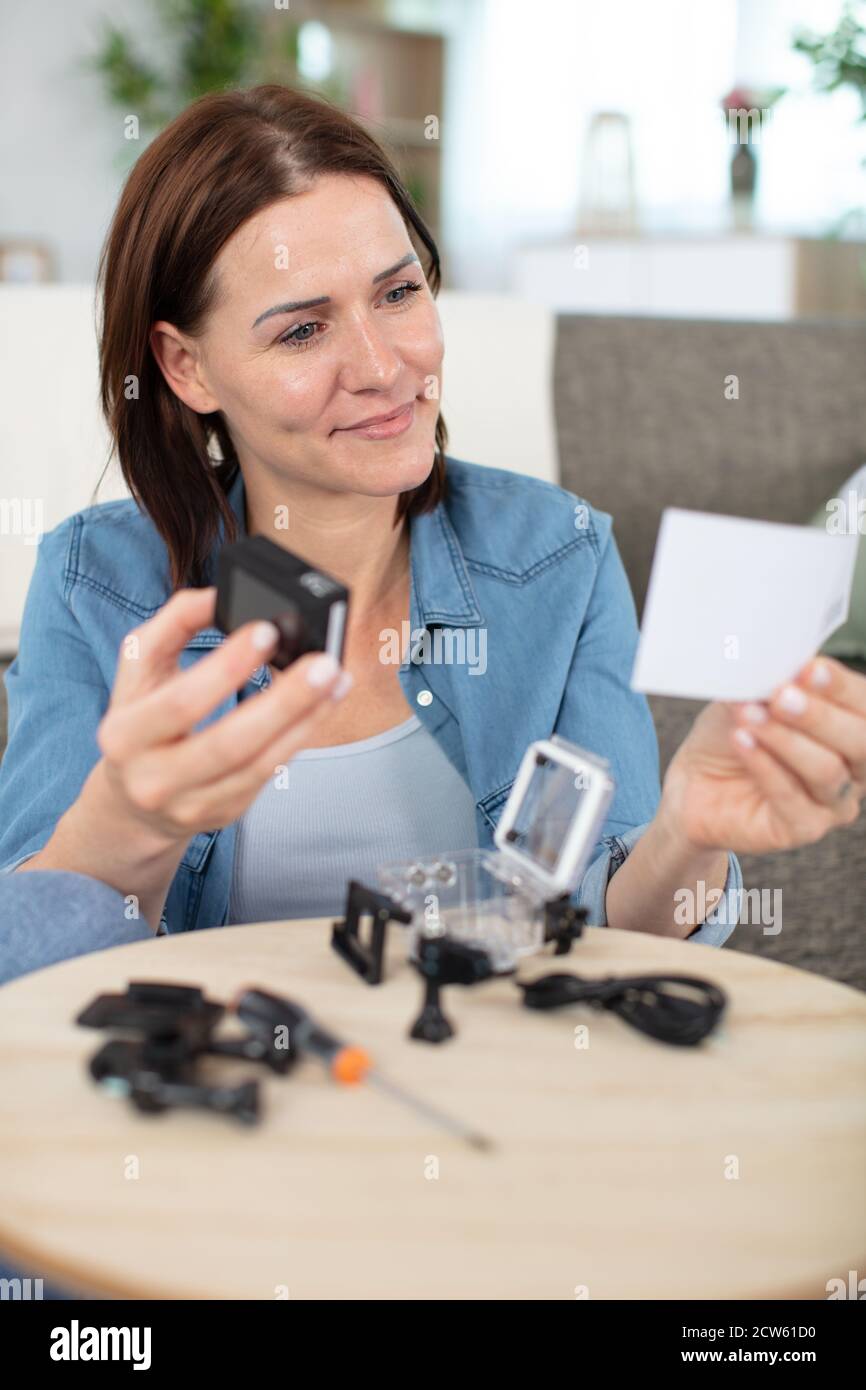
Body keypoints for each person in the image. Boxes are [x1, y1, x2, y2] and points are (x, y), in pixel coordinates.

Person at [1, 86, 864, 960]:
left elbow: (617, 937)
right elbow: (25, 975)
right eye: (302, 332)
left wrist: (689, 832)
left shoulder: (561, 554)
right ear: (186, 367)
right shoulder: (92, 582)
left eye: (398, 292)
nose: (383, 366)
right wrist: (131, 822)